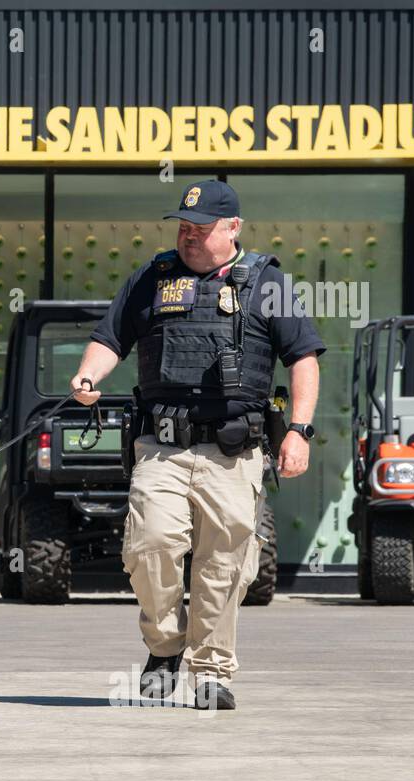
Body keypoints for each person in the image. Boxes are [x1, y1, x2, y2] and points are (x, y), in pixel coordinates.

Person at [70, 180, 323, 710]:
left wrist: (298, 431)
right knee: (150, 546)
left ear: (233, 228)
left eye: (200, 229)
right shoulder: (153, 278)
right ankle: (164, 648)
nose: (188, 237)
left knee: (224, 564)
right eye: (183, 227)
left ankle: (211, 672)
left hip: (232, 453)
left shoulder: (265, 282)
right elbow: (109, 338)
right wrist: (88, 377)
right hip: (161, 447)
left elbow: (303, 356)